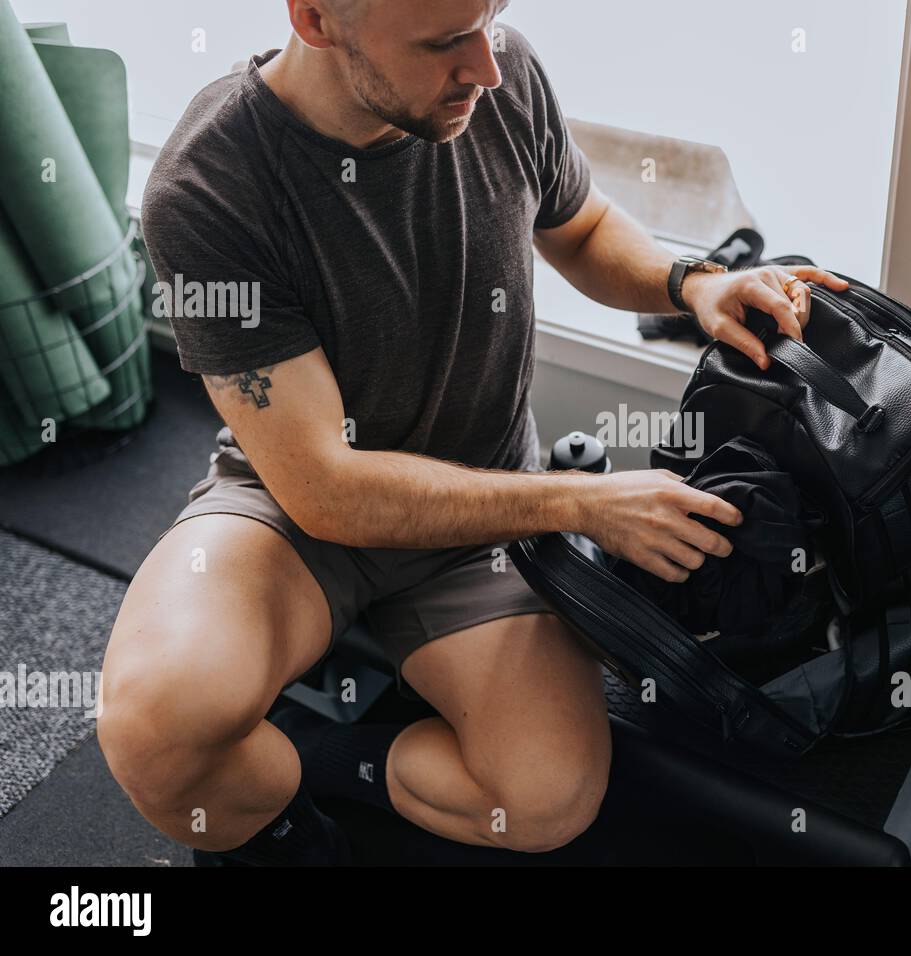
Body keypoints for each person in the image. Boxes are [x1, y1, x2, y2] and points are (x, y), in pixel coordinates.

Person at [98, 0, 848, 865]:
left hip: (481, 520)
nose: (486, 67)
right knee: (159, 725)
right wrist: (586, 505)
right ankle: (276, 826)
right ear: (314, 19)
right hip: (297, 513)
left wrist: (694, 283)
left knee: (543, 800)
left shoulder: (498, 72)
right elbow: (326, 490)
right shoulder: (209, 185)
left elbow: (585, 227)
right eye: (445, 41)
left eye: (490, 20)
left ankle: (320, 761)